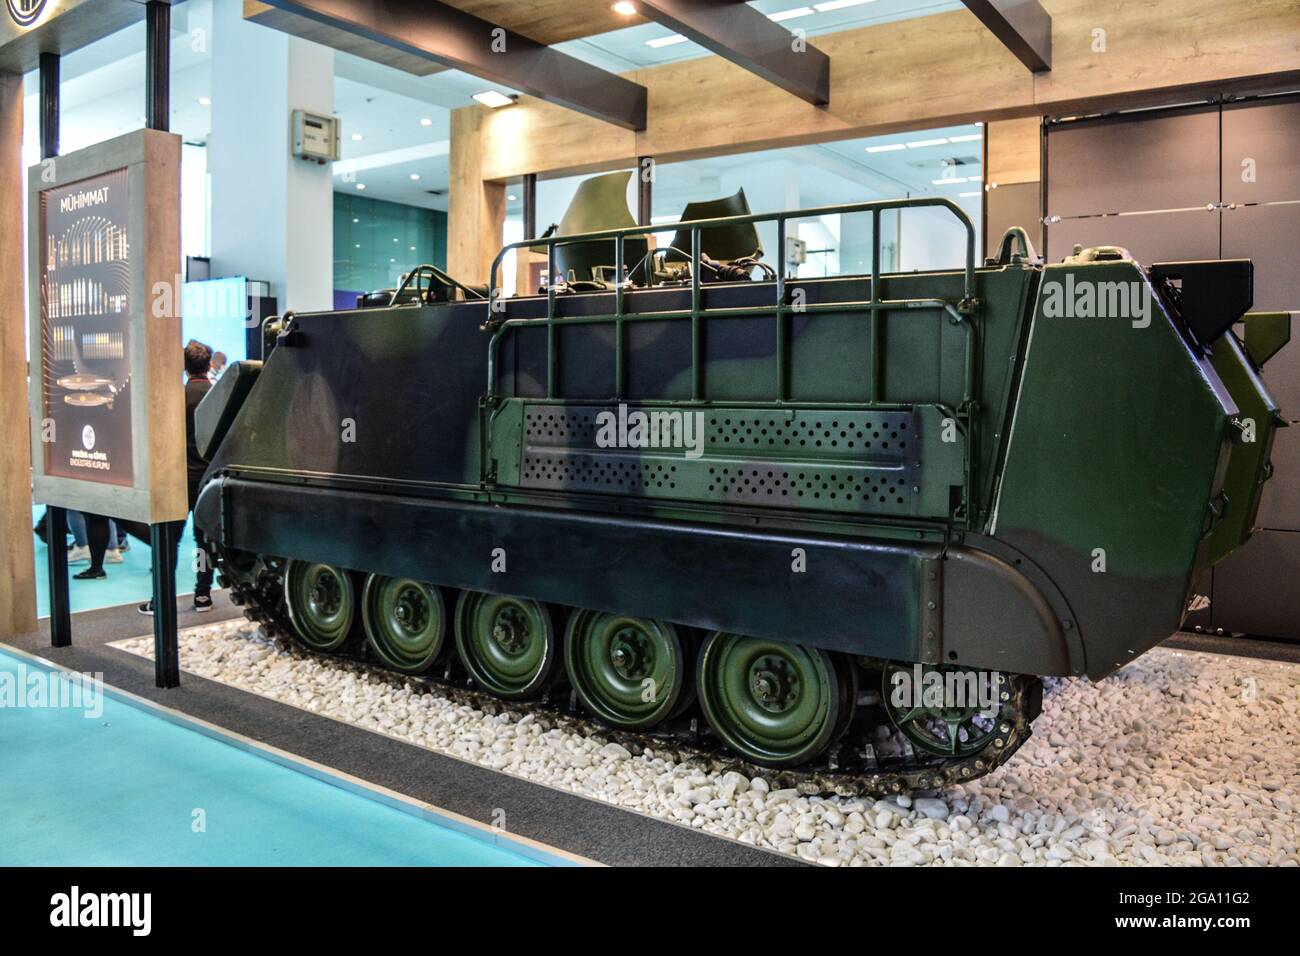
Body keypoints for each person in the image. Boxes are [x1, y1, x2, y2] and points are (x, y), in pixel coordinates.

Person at [75, 341, 216, 613]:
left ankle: (161, 599)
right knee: (203, 543)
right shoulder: (217, 396)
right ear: (208, 364)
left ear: (183, 366)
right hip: (208, 481)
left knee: (168, 542)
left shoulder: (177, 398)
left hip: (178, 480)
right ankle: (203, 594)